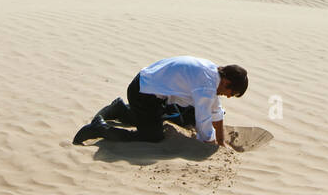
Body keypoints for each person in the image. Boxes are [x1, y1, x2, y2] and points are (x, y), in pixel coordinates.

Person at [72, 56, 248, 148]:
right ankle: (99, 129)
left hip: (146, 87)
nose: (229, 96)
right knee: (152, 136)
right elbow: (203, 120)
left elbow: (215, 110)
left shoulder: (211, 73)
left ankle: (119, 109)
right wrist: (209, 143)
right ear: (226, 82)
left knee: (149, 119)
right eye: (232, 92)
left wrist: (221, 141)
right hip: (144, 93)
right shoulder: (206, 87)